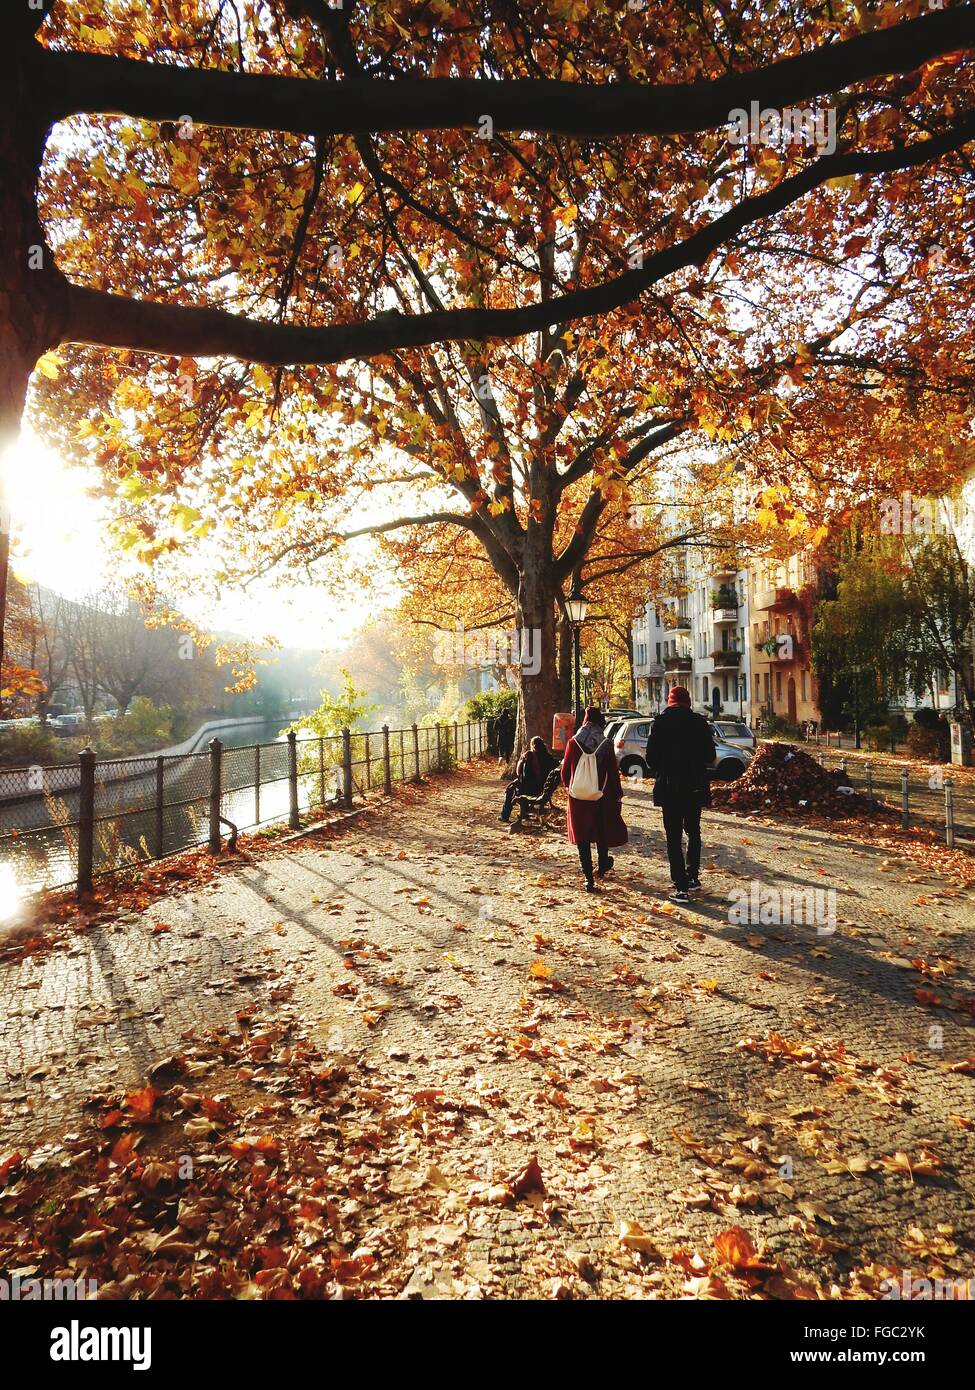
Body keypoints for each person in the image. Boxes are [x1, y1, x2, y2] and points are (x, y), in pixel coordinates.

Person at [645, 685, 715, 904]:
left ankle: (681, 886)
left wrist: (665, 766)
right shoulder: (700, 723)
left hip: (670, 786)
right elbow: (710, 755)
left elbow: (651, 759)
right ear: (688, 701)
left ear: (670, 701)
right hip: (694, 785)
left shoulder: (661, 723)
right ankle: (692, 876)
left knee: (673, 836)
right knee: (693, 831)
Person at [560, 707, 627, 892]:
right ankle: (603, 863)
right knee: (600, 831)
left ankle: (588, 878)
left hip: (578, 797)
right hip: (601, 795)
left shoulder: (573, 743)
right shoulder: (605, 744)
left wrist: (570, 786)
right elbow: (613, 773)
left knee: (582, 837)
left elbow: (565, 773)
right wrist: (617, 793)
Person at [500, 736, 557, 821]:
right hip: (543, 789)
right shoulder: (548, 758)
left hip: (532, 790)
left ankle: (505, 816)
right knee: (515, 786)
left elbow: (523, 776)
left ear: (533, 746)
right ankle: (524, 812)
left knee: (510, 790)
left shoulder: (530, 756)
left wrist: (522, 760)